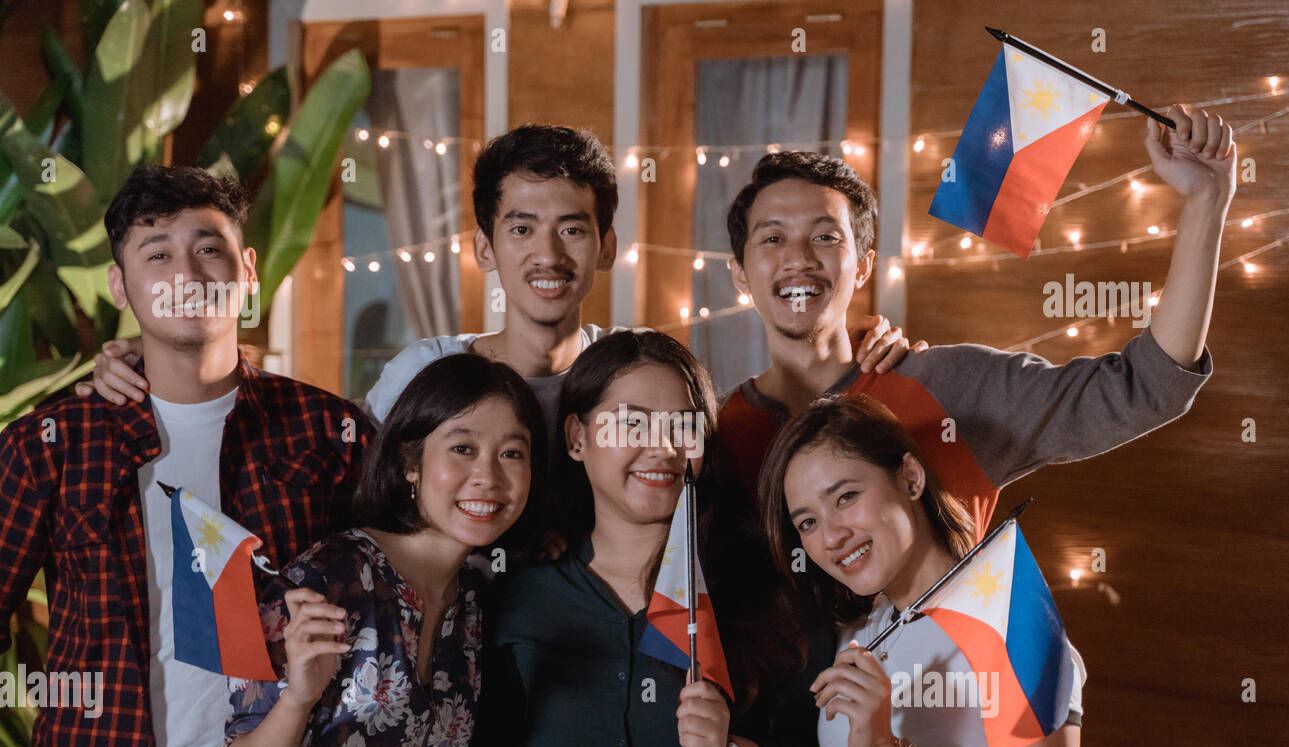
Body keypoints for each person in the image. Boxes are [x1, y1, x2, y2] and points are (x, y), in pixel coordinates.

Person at [710, 106, 1233, 747]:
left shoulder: (941, 387)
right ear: (739, 273)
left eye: (827, 237)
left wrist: (1206, 201)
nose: (800, 259)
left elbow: (1144, 386)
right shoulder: (719, 432)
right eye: (772, 239)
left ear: (863, 264)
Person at [0, 165, 374, 747]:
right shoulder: (52, 446)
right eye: (157, 252)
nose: (186, 271)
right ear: (121, 285)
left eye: (208, 247)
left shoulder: (331, 434)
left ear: (247, 269)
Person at [80, 126, 918, 436]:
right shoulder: (423, 374)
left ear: (607, 248)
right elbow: (329, 477)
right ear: (484, 249)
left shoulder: (640, 379)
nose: (546, 253)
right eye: (520, 228)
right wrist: (153, 363)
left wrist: (856, 357)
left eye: (572, 229)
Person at [442, 330, 815, 747]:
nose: (662, 448)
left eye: (683, 426)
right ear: (576, 437)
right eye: (632, 422)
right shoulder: (512, 598)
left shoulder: (764, 593)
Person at [181, 352, 547, 747]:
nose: (487, 475)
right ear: (409, 465)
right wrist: (297, 700)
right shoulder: (328, 579)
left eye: (512, 453)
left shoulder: (471, 603)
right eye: (462, 448)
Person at [758, 394, 1084, 747]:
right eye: (807, 522)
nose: (830, 537)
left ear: (910, 478)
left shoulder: (1009, 620)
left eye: (846, 497)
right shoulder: (853, 630)